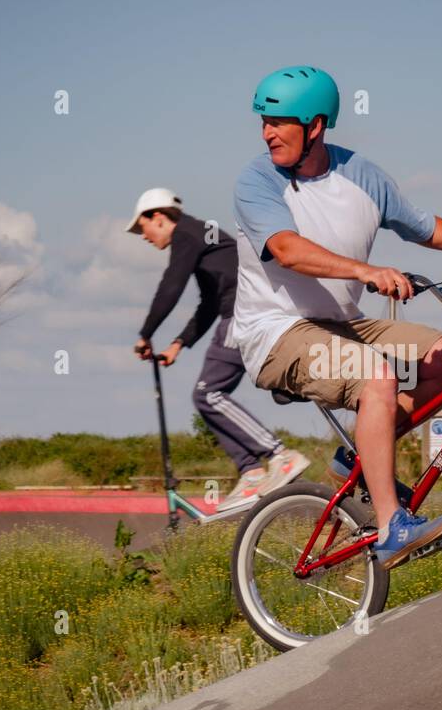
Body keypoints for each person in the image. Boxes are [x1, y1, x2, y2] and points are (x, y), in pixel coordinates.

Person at [230, 66, 442, 569]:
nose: (267, 133)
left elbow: (421, 227)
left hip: (342, 324)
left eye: (279, 122)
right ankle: (392, 526)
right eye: (264, 121)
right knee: (378, 375)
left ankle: (361, 461)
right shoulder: (258, 181)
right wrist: (366, 271)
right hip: (277, 333)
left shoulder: (361, 175)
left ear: (316, 126)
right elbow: (286, 250)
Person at [127, 187, 309, 511]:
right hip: (235, 313)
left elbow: (172, 284)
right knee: (205, 395)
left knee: (208, 394)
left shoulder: (187, 234)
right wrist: (179, 343)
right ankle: (251, 472)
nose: (143, 237)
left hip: (244, 315)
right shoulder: (199, 237)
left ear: (158, 217)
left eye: (142, 229)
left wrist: (145, 333)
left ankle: (280, 456)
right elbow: (209, 301)